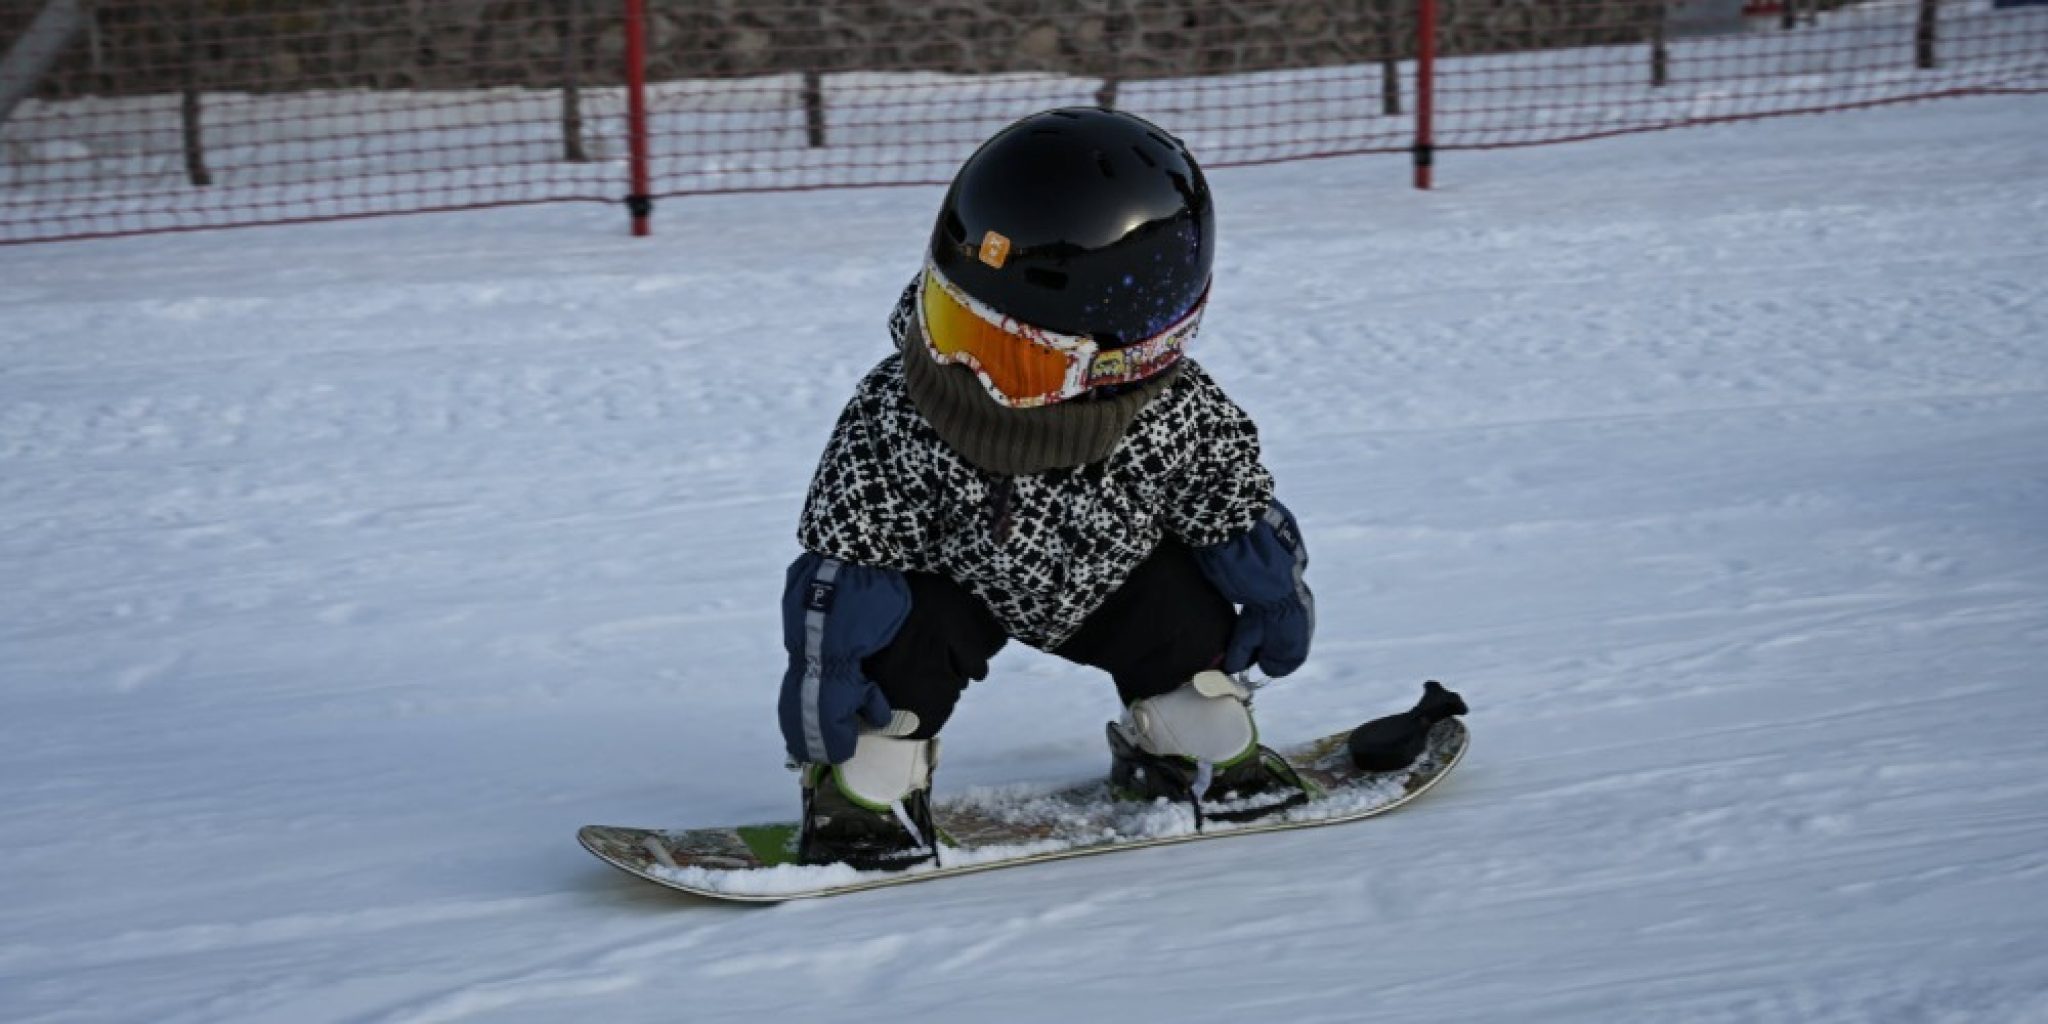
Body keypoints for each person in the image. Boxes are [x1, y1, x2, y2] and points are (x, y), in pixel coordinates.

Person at [777, 107, 1315, 870]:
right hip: (953, 593)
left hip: (1116, 585)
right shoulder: (897, 411)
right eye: (952, 326)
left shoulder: (1175, 418)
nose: (960, 373)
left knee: (1188, 648)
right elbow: (850, 556)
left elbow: (1231, 509)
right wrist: (826, 665)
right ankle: (865, 789)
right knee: (894, 664)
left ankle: (1177, 741)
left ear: (1124, 361)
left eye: (1008, 358)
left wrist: (1273, 591)